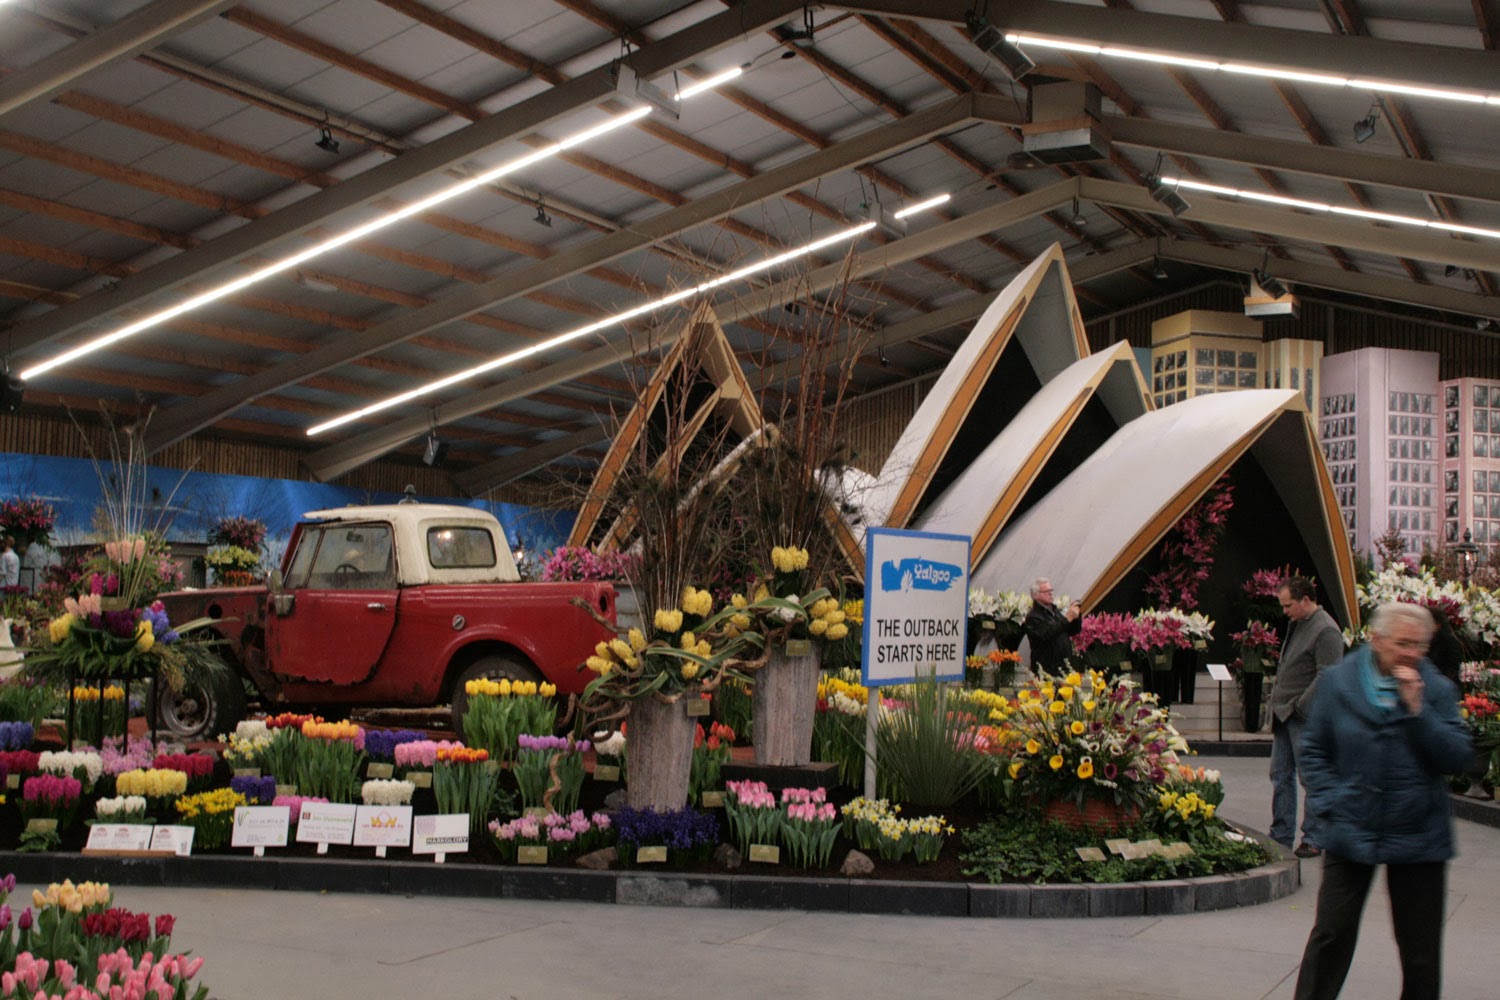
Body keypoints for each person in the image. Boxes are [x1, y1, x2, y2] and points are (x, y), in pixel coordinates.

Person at [1293, 601, 1472, 1000]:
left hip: (1419, 834)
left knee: (1420, 951)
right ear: (1376, 639)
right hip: (1350, 826)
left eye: (1418, 645)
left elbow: (1456, 757)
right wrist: (1331, 801)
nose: (1410, 653)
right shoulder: (1339, 683)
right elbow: (1315, 750)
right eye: (1402, 643)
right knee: (1331, 936)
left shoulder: (1437, 690)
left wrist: (1418, 710)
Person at [1268, 576, 1344, 858]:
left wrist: (1301, 706)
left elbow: (1328, 675)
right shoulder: (1298, 624)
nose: (1285, 611)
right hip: (1285, 714)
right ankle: (1280, 835)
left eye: (1288, 605)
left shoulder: (1326, 630)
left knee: (1311, 778)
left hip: (1305, 716)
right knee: (1280, 775)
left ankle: (1314, 837)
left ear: (1306, 600)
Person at [1022, 577, 1081, 673]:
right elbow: (1046, 634)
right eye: (1046, 591)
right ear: (1036, 595)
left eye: (1051, 590)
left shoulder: (1055, 611)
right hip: (1047, 668)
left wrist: (1076, 617)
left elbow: (1072, 631)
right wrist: (1067, 619)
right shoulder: (1033, 616)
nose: (1050, 593)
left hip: (1064, 665)